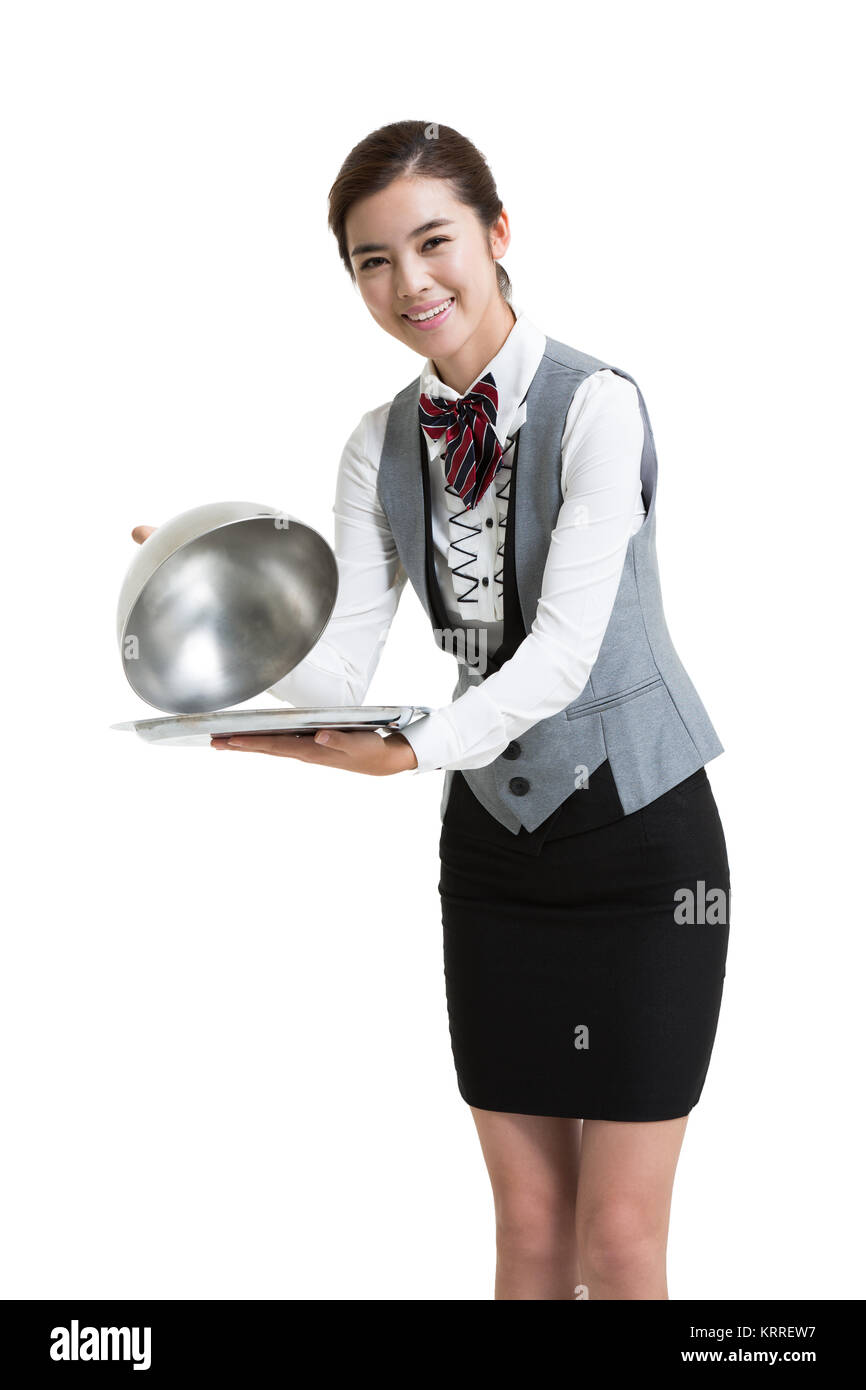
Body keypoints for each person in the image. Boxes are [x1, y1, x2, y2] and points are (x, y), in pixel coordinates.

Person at [131, 120, 731, 1301]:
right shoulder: (376, 442)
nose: (408, 283)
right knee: (524, 1234)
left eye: (432, 242)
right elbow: (337, 664)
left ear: (496, 235)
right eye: (369, 260)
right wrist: (218, 590)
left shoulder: (596, 405)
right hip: (496, 858)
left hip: (642, 847)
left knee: (615, 1242)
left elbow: (559, 657)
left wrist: (411, 754)